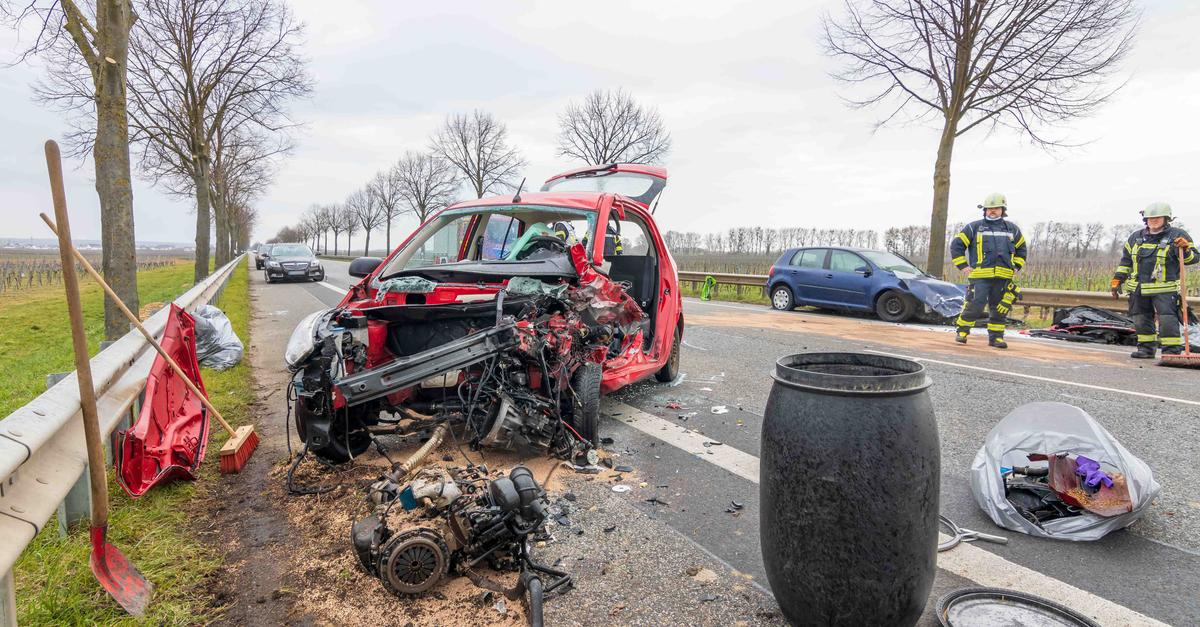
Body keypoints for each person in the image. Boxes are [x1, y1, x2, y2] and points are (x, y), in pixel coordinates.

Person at [1111, 202, 1196, 359]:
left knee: (1167, 320)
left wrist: (1185, 249)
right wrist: (1117, 279)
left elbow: (1192, 259)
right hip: (1138, 289)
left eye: (1158, 218)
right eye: (1151, 218)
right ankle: (1146, 349)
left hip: (1165, 289)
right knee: (1141, 319)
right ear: (1145, 220)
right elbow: (1126, 261)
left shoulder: (1178, 236)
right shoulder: (1135, 237)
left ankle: (1171, 352)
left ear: (1166, 219)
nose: (1154, 221)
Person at [949, 193, 1028, 349]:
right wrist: (963, 266)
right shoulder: (974, 227)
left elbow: (1022, 249)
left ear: (1002, 210)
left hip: (1003, 278)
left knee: (999, 309)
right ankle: (962, 332)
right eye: (989, 208)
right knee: (975, 305)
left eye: (996, 208)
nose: (992, 211)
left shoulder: (1012, 229)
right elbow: (957, 246)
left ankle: (996, 338)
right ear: (984, 210)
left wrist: (1016, 266)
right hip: (980, 277)